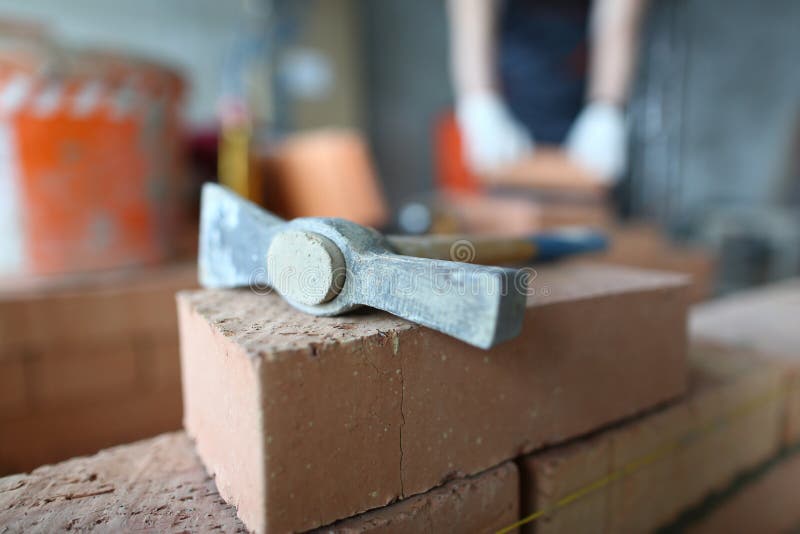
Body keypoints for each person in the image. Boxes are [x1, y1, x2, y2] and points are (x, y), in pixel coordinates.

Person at [447, 0, 649, 183]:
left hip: (586, 92)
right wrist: (481, 103)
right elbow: (469, 18)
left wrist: (606, 110)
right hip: (510, 91)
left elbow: (619, 24)